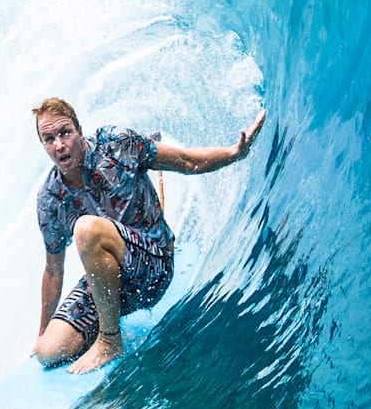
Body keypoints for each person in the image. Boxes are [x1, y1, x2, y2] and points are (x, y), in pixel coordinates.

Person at [31, 97, 267, 374]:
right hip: (112, 286)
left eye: (65, 133)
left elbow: (185, 160)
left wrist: (234, 153)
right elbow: (53, 269)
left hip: (153, 267)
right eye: (49, 139)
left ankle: (109, 340)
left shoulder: (116, 144)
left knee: (86, 228)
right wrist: (42, 331)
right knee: (49, 352)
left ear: (79, 130)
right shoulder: (50, 198)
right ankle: (100, 325)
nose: (59, 145)